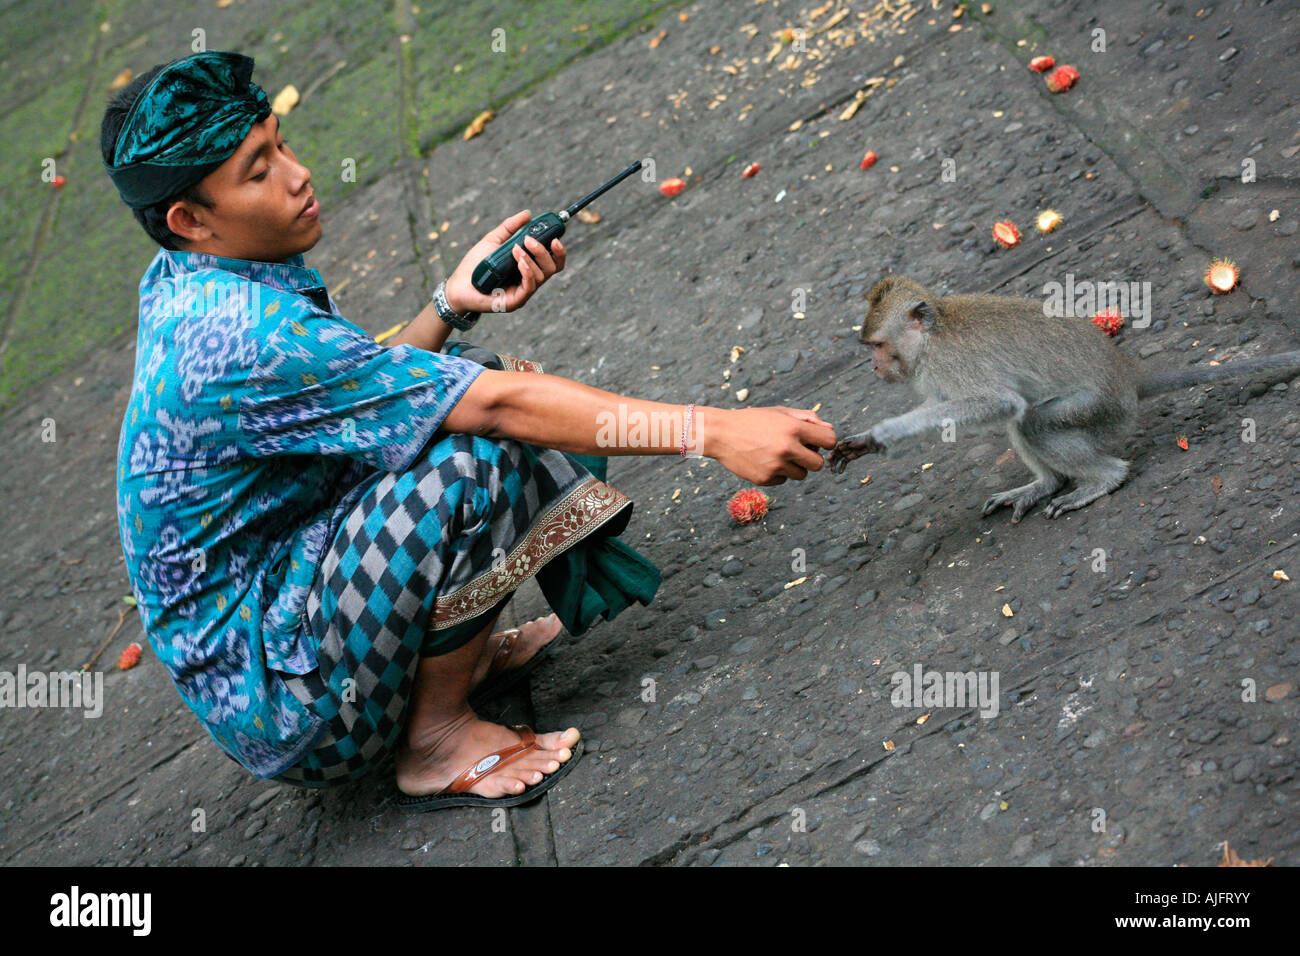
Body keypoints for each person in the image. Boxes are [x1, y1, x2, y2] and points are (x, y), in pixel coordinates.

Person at [103, 50, 836, 810]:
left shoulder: (192, 277)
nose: (297, 174)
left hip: (295, 604)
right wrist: (713, 432)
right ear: (189, 220)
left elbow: (367, 394)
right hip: (298, 707)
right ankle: (433, 738)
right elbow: (491, 408)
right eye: (258, 171)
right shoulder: (233, 332)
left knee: (479, 375)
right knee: (474, 454)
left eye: (281, 143)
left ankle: (447, 662)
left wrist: (452, 304)